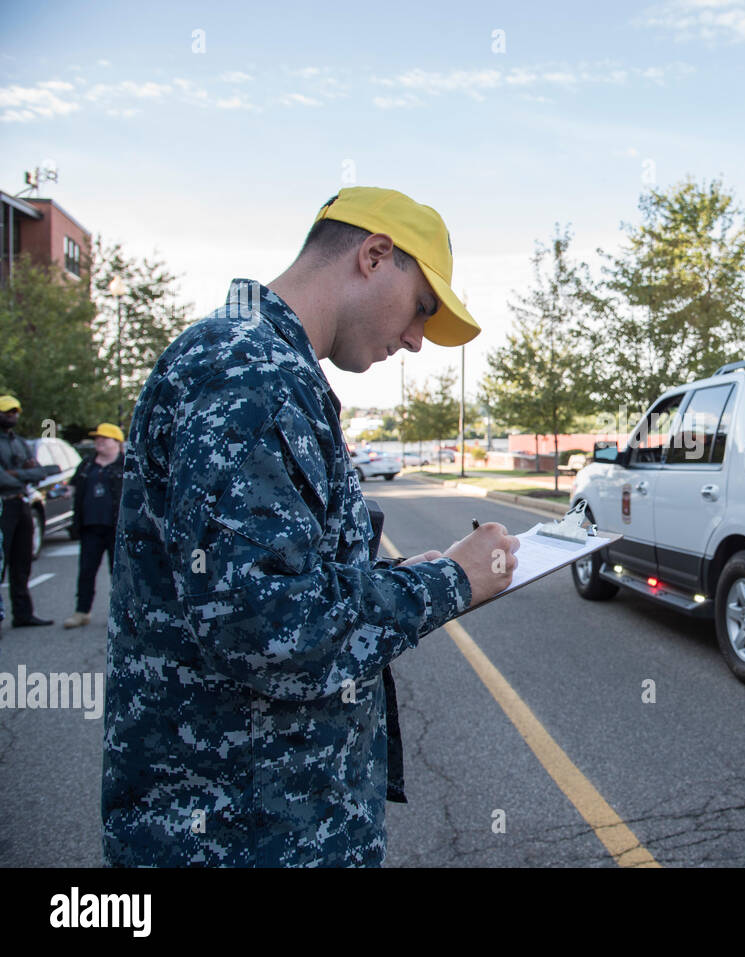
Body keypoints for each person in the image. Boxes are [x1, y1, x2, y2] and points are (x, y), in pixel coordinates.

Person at [102, 187, 520, 867]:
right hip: (239, 837)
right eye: (421, 309)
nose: (416, 339)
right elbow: (266, 625)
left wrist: (393, 579)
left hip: (266, 824)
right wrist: (453, 580)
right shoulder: (247, 370)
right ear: (375, 255)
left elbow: (279, 579)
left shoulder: (263, 363)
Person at [63, 424, 126, 628]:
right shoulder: (87, 464)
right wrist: (59, 490)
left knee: (117, 573)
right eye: (97, 438)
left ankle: (122, 613)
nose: (99, 441)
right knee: (86, 571)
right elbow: (70, 486)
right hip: (90, 526)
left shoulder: (126, 464)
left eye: (104, 438)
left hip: (116, 528)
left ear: (116, 442)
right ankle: (82, 612)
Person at [0, 394, 54, 627]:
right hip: (3, 505)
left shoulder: (19, 442)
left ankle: (23, 613)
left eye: (16, 411)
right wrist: (23, 475)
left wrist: (19, 475)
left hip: (22, 503)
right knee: (1, 561)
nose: (13, 415)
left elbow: (40, 472)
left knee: (22, 561)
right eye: (8, 411)